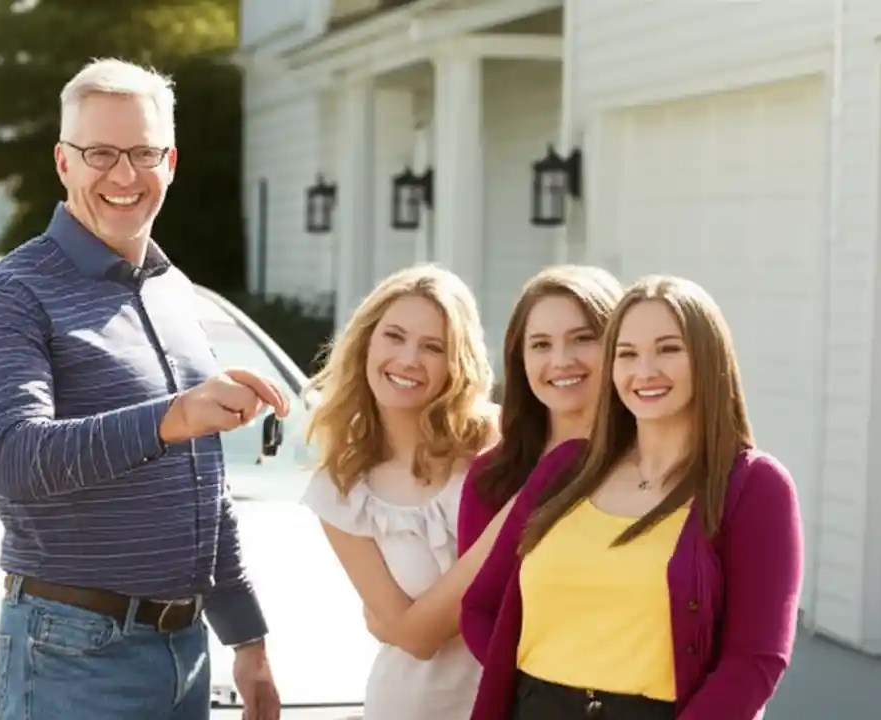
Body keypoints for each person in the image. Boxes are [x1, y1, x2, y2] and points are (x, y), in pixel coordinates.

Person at [0, 58, 288, 720]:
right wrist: (172, 416)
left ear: (171, 162)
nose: (124, 175)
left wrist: (246, 639)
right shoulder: (10, 295)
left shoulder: (173, 290)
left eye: (143, 153)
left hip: (185, 652)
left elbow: (202, 482)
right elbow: (12, 457)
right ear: (63, 162)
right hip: (73, 655)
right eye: (100, 154)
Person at [463, 275, 803, 720]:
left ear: (708, 357)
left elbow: (755, 662)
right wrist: (523, 685)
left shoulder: (755, 486)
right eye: (627, 354)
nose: (645, 370)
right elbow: (480, 607)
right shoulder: (563, 469)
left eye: (668, 349)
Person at [299, 264, 500, 719]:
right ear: (366, 342)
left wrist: (416, 618)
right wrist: (508, 528)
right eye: (394, 336)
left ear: (457, 361)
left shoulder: (501, 444)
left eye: (433, 347)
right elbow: (416, 640)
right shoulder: (341, 488)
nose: (409, 359)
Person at [455, 265, 622, 659]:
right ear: (521, 359)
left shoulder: (659, 464)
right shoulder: (492, 477)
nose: (561, 360)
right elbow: (481, 614)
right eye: (541, 345)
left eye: (583, 338)